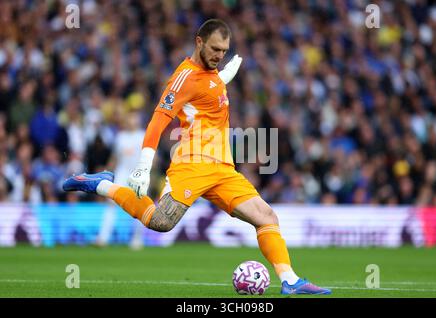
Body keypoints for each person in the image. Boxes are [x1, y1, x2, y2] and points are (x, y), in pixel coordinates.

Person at [63, 19, 331, 295]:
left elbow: (205, 96)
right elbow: (159, 119)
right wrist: (144, 165)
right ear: (199, 41)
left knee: (266, 217)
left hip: (223, 168)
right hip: (193, 163)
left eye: (224, 51)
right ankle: (101, 184)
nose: (219, 55)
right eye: (215, 48)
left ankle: (289, 280)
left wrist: (223, 77)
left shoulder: (213, 74)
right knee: (161, 222)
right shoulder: (183, 77)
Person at [95, 111, 146, 249]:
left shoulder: (143, 136)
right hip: (122, 174)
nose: (131, 121)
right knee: (111, 204)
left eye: (134, 118)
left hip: (137, 175)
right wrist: (106, 172)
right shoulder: (121, 137)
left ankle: (137, 239)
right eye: (129, 117)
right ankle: (103, 238)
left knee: (139, 208)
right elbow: (115, 158)